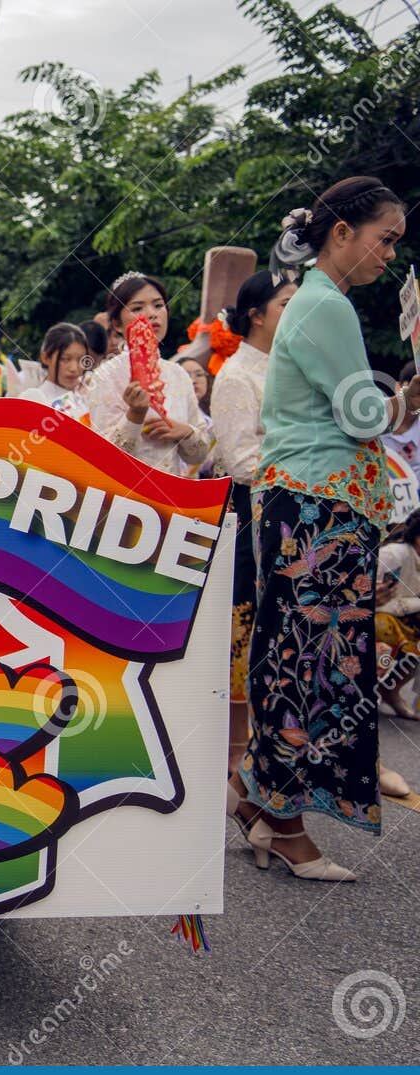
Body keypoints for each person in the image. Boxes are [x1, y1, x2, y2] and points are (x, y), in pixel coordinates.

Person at [241, 176, 417, 880]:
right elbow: (361, 417)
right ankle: (281, 821)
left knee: (301, 656)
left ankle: (256, 802)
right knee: (310, 666)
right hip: (318, 511)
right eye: (385, 239)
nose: (390, 257)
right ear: (341, 232)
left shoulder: (316, 302)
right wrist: (412, 396)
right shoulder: (325, 307)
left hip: (311, 507)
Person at [207, 269, 299, 805]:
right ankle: (237, 768)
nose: (296, 314)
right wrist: (307, 467)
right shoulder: (237, 375)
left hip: (289, 516)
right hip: (254, 520)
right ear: (256, 314)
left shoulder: (293, 367)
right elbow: (240, 460)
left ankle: (264, 769)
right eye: (286, 304)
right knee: (246, 644)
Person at [84, 273, 214, 476]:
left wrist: (186, 432)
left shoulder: (178, 375)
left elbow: (198, 455)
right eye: (137, 308)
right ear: (117, 324)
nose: (152, 314)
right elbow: (104, 459)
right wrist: (135, 415)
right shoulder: (104, 376)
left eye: (158, 305)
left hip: (170, 497)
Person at [375, 516, 420, 720]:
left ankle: (391, 691)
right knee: (383, 625)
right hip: (375, 617)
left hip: (406, 616)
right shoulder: (392, 555)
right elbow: (369, 596)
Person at [19, 322, 91, 421]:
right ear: (46, 358)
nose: (74, 368)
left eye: (81, 360)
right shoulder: (33, 401)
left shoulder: (87, 400)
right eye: (65, 359)